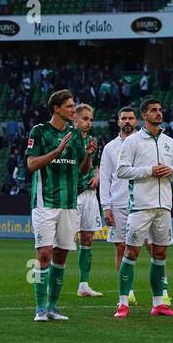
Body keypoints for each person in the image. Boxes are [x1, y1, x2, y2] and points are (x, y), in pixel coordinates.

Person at [25, 90, 94, 322]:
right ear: (56, 108)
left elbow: (82, 170)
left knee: (61, 256)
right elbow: (32, 164)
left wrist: (89, 157)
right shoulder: (40, 131)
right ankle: (40, 308)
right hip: (45, 202)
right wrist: (55, 152)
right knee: (43, 254)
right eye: (69, 106)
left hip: (69, 204)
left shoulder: (75, 135)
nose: (73, 110)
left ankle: (53, 307)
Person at [115, 98, 173, 318]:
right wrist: (149, 170)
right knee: (131, 251)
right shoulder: (132, 141)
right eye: (153, 110)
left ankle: (158, 303)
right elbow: (122, 171)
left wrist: (169, 172)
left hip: (164, 206)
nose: (158, 113)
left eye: (160, 110)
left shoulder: (169, 142)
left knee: (160, 253)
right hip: (141, 206)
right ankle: (123, 303)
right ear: (144, 115)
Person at [100, 106, 139, 315]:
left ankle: (162, 292)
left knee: (152, 247)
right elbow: (105, 178)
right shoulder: (110, 148)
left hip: (142, 203)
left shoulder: (145, 144)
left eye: (131, 118)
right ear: (118, 122)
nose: (127, 121)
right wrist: (106, 206)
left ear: (136, 121)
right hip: (119, 203)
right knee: (121, 248)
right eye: (123, 118)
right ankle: (127, 291)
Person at [72, 103, 104, 299]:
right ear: (74, 120)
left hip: (90, 195)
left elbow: (98, 164)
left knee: (88, 239)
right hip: (73, 195)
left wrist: (98, 176)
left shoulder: (93, 140)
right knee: (64, 241)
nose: (88, 123)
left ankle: (84, 284)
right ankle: (51, 282)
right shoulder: (68, 140)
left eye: (91, 119)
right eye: (85, 119)